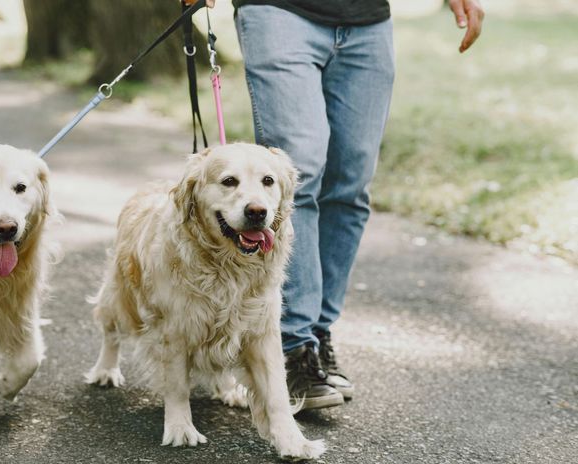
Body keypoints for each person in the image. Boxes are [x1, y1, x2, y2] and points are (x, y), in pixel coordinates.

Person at [198, 0, 484, 409]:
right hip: (279, 11)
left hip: (366, 19)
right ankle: (292, 344)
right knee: (301, 175)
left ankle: (317, 331)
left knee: (351, 185)